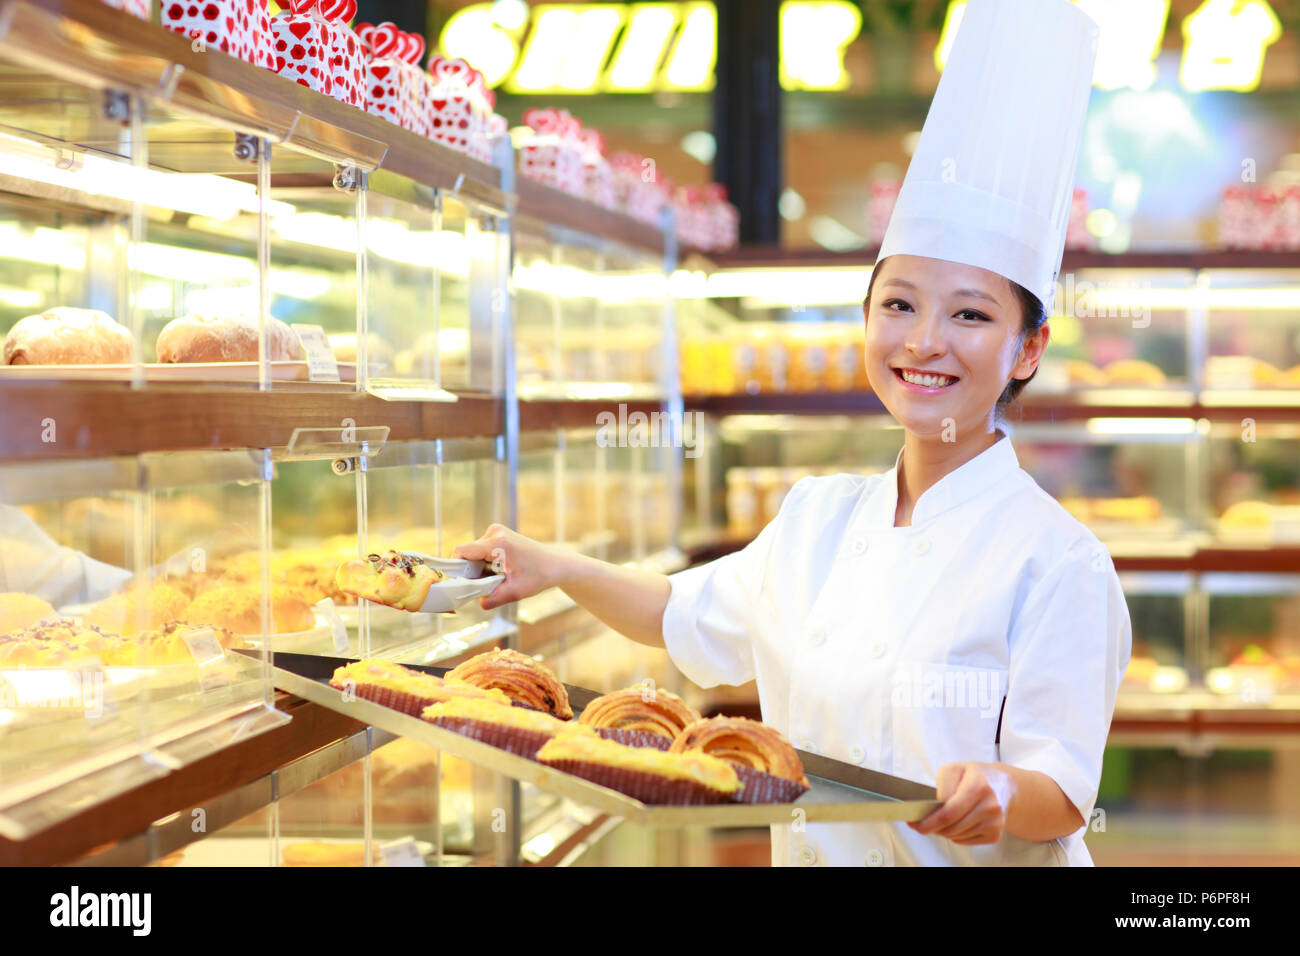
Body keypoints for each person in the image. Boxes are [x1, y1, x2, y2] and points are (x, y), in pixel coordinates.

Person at [456, 0, 1130, 866]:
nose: (924, 341)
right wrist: (548, 566)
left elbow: (1063, 790)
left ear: (1027, 347)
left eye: (969, 314)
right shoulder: (819, 518)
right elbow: (680, 614)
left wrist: (999, 790)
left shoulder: (1057, 560)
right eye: (899, 305)